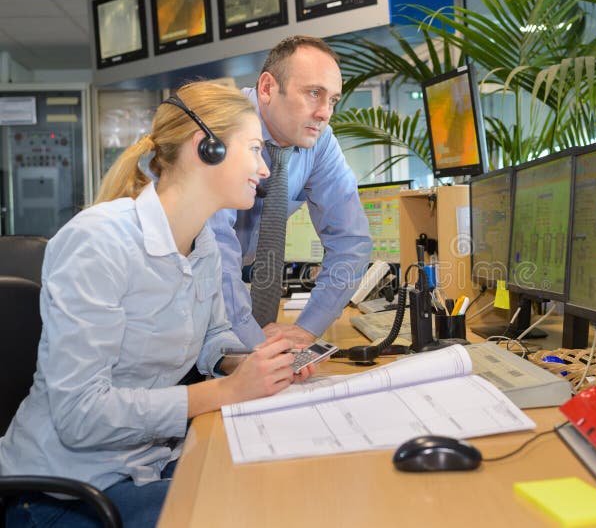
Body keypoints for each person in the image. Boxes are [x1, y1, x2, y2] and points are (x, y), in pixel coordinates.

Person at [0, 81, 315, 528]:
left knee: (274, 488)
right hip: (66, 491)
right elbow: (79, 414)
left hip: (146, 464)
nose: (264, 169)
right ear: (206, 147)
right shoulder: (97, 242)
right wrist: (225, 392)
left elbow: (213, 336)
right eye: (254, 150)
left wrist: (251, 364)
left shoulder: (202, 242)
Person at [209, 35, 372, 350]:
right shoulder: (220, 127)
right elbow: (216, 251)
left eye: (333, 100)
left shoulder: (320, 142)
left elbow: (351, 240)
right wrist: (257, 346)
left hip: (228, 300)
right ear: (267, 88)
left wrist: (307, 329)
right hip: (176, 297)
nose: (325, 113)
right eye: (314, 93)